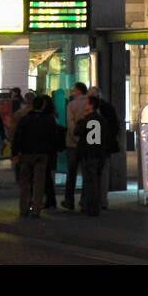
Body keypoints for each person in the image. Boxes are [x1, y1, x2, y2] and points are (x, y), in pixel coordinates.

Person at [12, 94, 55, 219]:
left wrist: (15, 153)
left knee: (24, 182)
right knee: (39, 183)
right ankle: (36, 209)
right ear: (43, 105)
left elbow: (17, 137)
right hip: (42, 154)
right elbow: (53, 137)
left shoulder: (24, 119)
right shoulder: (48, 119)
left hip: (26, 154)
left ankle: (24, 208)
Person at [87, 86, 120, 210]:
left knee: (92, 173)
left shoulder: (90, 113)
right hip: (105, 147)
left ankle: (93, 200)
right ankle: (102, 200)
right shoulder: (108, 108)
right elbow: (115, 127)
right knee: (103, 173)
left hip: (94, 148)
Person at [75, 94, 108, 216]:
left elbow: (76, 131)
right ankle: (95, 206)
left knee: (89, 181)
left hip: (88, 153)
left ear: (91, 105)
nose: (85, 105)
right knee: (96, 180)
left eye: (87, 103)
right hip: (99, 154)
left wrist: (81, 121)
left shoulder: (87, 120)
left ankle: (89, 206)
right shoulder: (101, 120)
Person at [62, 82, 89, 210]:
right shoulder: (90, 104)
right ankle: (85, 200)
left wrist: (76, 139)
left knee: (71, 173)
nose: (73, 93)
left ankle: (69, 200)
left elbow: (70, 124)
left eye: (74, 91)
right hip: (88, 143)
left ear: (78, 91)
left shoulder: (71, 105)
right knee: (86, 173)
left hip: (73, 144)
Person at [40, 94, 65, 210]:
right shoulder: (53, 116)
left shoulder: (46, 117)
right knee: (48, 176)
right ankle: (50, 200)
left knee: (46, 177)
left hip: (46, 149)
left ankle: (50, 200)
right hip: (51, 150)